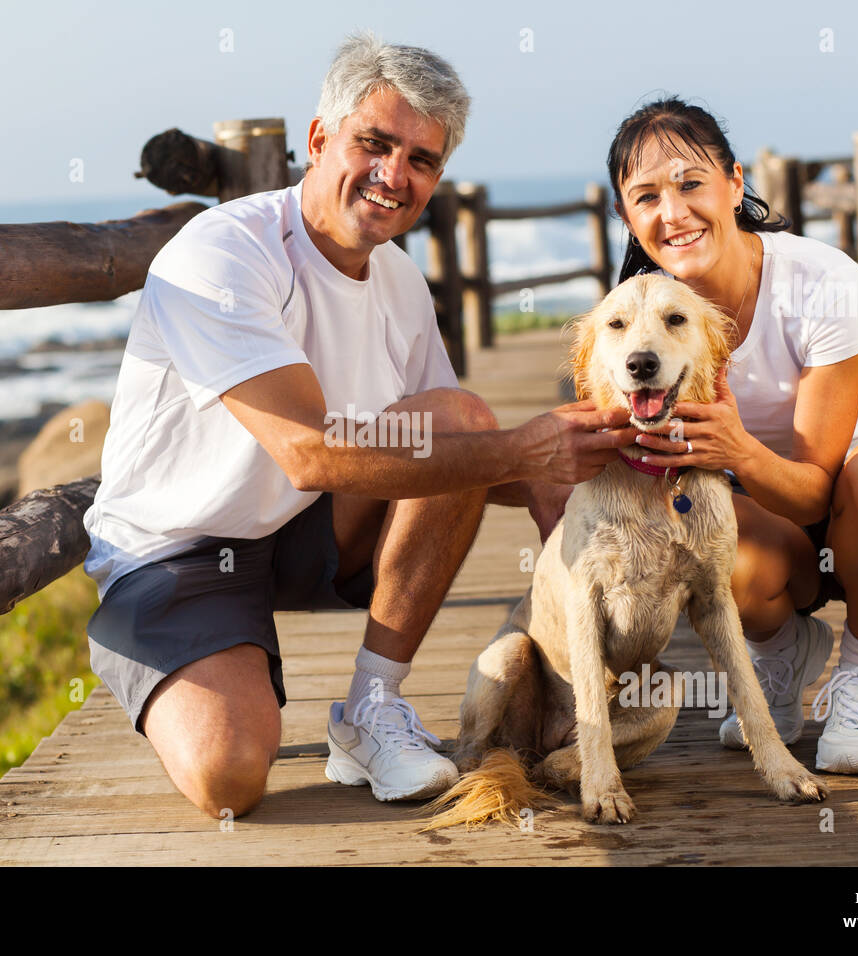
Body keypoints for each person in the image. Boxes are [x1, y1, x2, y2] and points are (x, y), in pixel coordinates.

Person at [80, 32, 638, 819]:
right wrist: (519, 446)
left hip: (309, 529)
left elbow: (462, 455)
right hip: (180, 549)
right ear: (317, 140)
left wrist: (565, 462)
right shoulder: (224, 256)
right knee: (229, 779)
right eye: (373, 144)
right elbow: (308, 453)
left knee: (461, 420)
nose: (393, 176)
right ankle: (163, 658)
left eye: (421, 160)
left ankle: (380, 708)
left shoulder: (400, 280)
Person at [603, 97, 858, 774]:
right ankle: (780, 654)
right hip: (765, 517)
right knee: (684, 517)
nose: (673, 213)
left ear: (734, 182)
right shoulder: (646, 311)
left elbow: (814, 491)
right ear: (627, 218)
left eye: (692, 183)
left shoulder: (821, 282)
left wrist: (736, 449)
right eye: (646, 198)